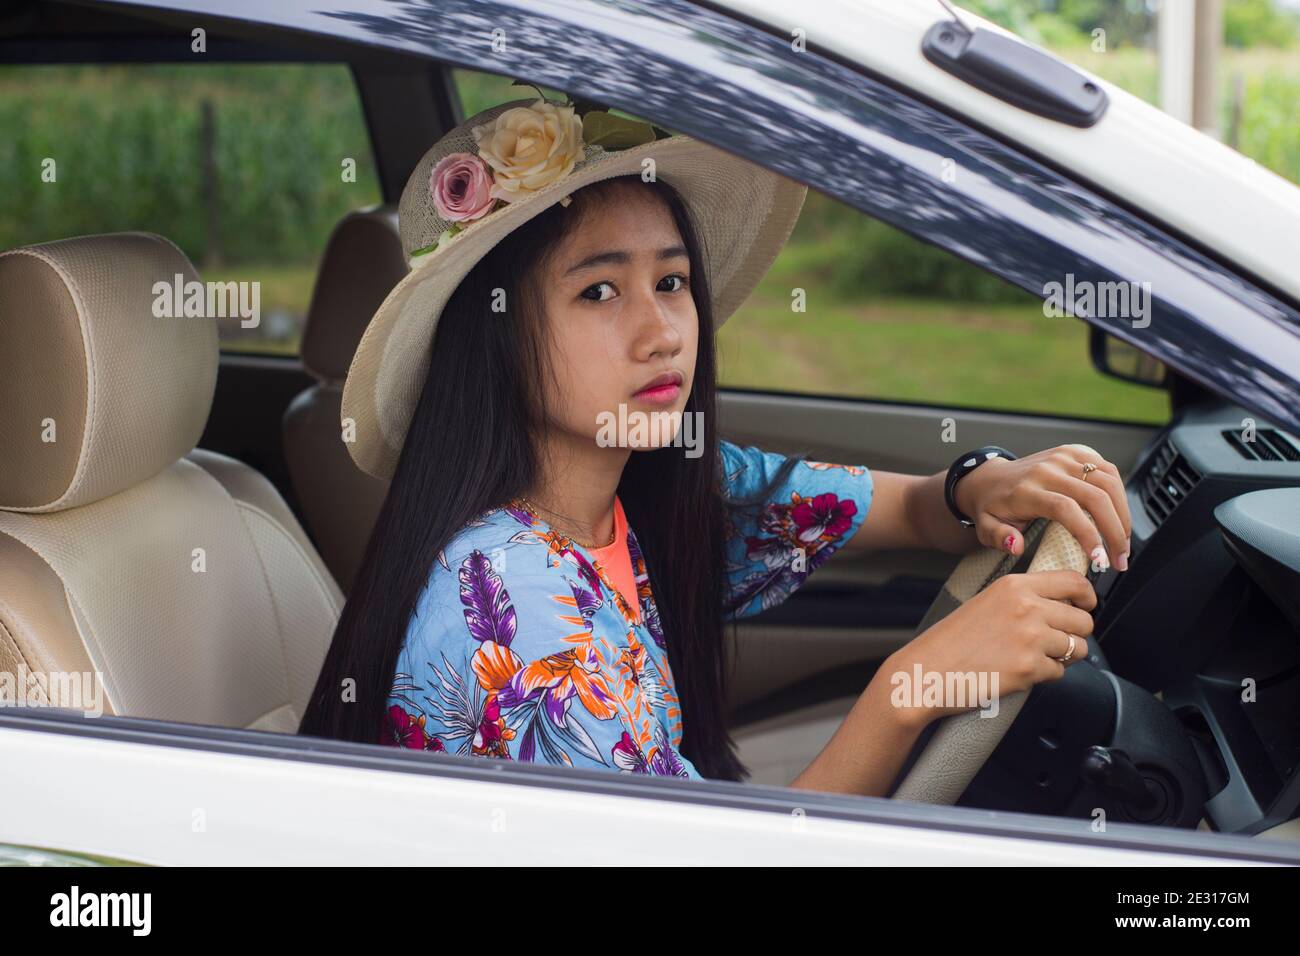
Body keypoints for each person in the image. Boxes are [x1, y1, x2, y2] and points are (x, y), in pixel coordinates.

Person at [298, 96, 1131, 795]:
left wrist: (978, 485)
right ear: (496, 340)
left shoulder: (647, 486)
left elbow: (904, 507)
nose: (661, 332)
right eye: (598, 291)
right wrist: (913, 688)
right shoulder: (513, 615)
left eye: (670, 282)